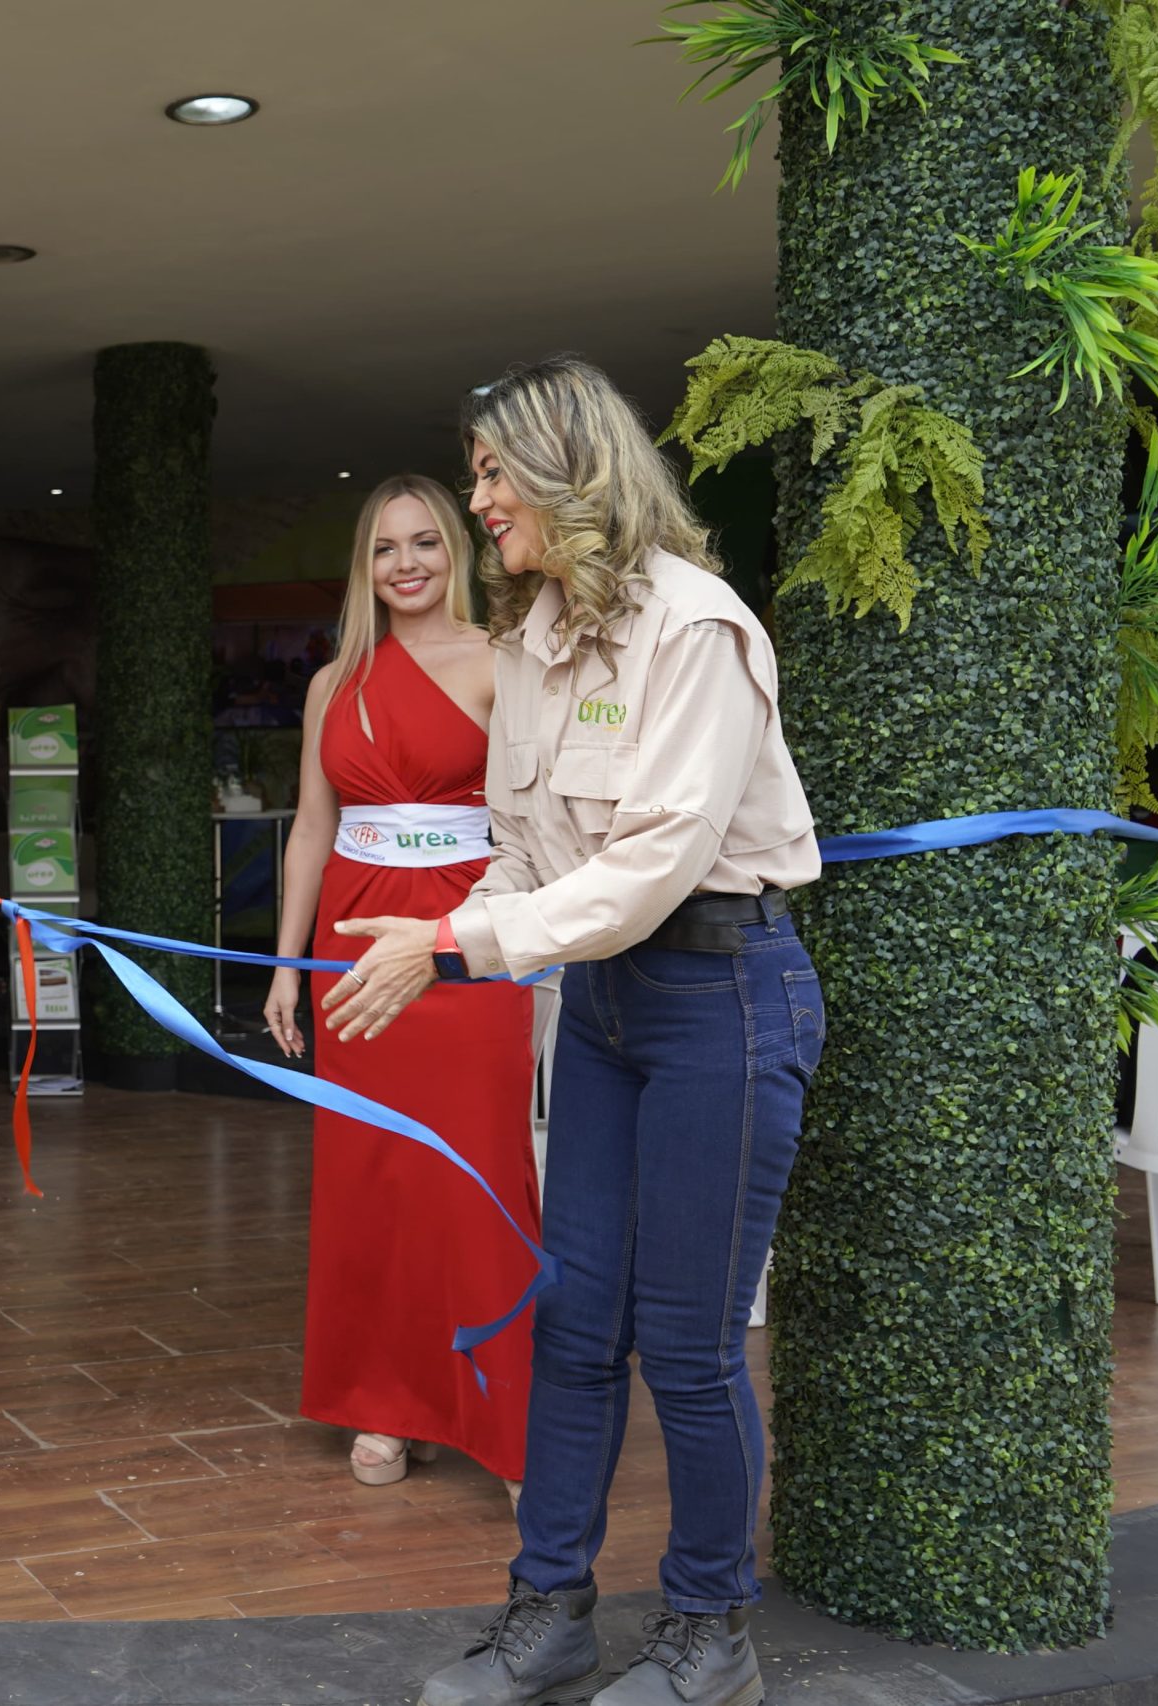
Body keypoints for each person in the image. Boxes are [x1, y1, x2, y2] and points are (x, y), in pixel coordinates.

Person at [320, 358, 822, 1706]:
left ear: (569, 470)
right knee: (576, 1320)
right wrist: (436, 933)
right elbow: (525, 855)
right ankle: (548, 1614)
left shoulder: (697, 627)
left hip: (720, 996)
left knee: (689, 1341)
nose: (478, 498)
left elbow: (655, 864)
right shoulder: (532, 637)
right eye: (476, 472)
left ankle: (711, 1634)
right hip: (601, 1005)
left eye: (494, 473)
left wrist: (456, 943)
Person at [263, 475, 537, 1495]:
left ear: (455, 550)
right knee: (371, 1175)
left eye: (424, 542)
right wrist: (288, 960)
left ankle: (502, 1415)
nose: (406, 563)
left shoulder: (502, 659)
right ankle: (383, 1401)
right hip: (350, 942)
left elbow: (535, 815)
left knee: (474, 1173)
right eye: (385, 548)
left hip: (464, 937)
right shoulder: (331, 681)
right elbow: (311, 827)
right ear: (363, 564)